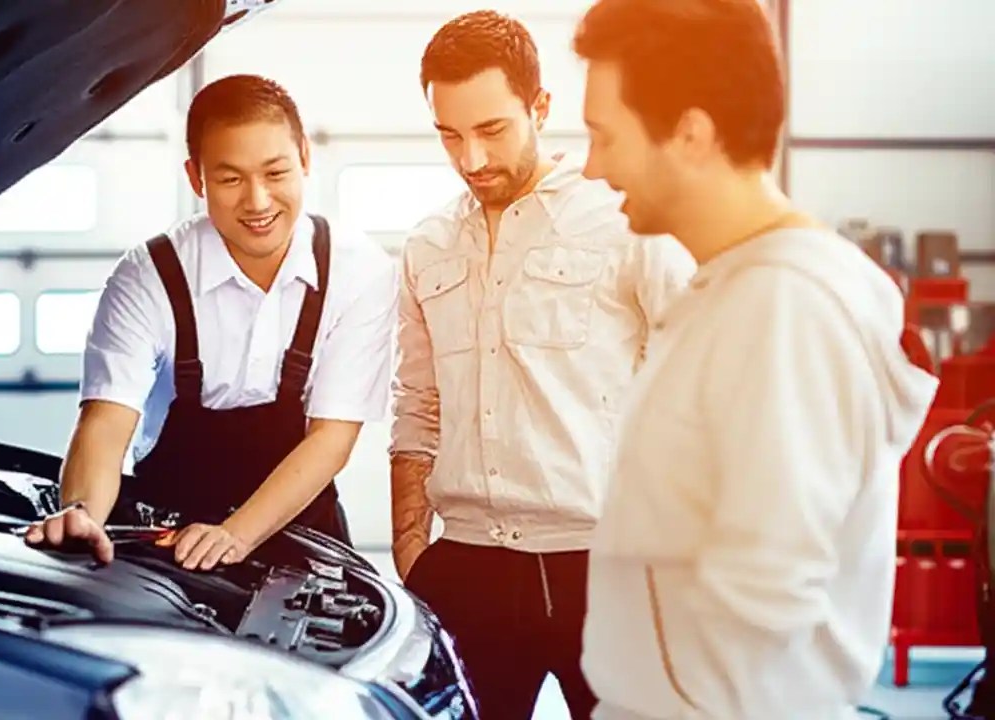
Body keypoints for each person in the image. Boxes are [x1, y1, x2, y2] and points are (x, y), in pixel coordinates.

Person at [570, 1, 941, 718]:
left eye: (604, 136)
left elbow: (766, 596)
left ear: (690, 134)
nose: (593, 166)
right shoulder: (735, 290)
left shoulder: (784, 308)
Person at [389, 10, 696, 720]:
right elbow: (416, 404)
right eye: (449, 135)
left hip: (608, 566)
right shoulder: (428, 245)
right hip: (468, 572)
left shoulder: (627, 224)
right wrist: (411, 547)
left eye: (492, 129)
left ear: (541, 107)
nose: (471, 159)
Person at [25, 73, 397, 571]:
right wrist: (81, 514)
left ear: (305, 158)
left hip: (303, 533)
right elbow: (106, 420)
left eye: (276, 173)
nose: (258, 201)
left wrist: (235, 536)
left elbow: (331, 438)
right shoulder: (148, 275)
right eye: (230, 179)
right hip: (168, 537)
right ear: (196, 177)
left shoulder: (359, 271)